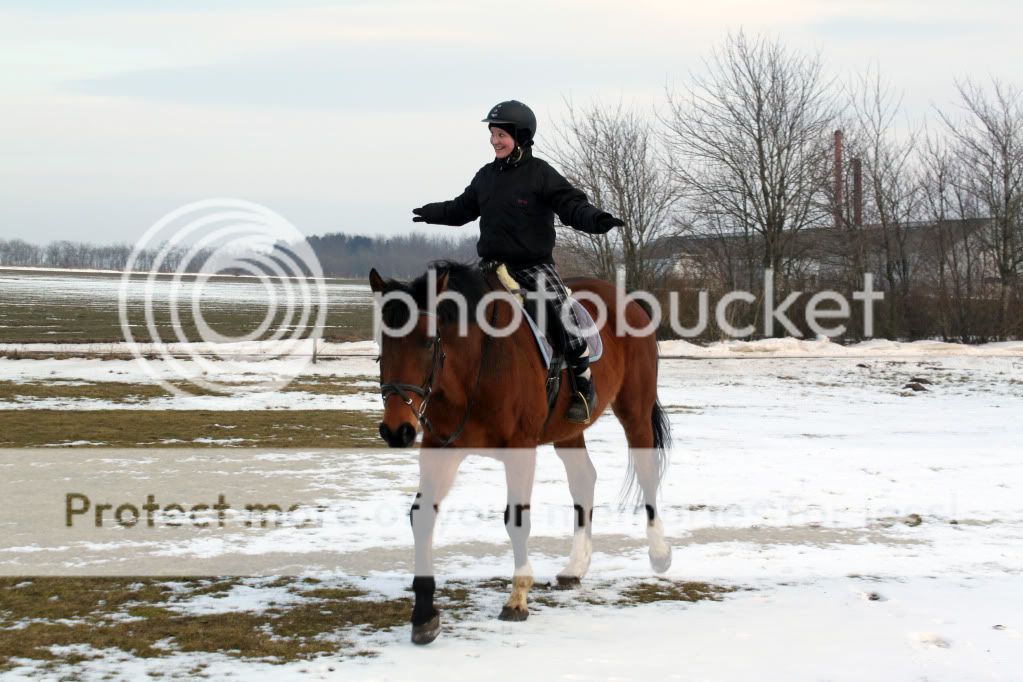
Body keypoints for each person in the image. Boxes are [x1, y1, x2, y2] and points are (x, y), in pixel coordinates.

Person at [411, 99, 623, 424]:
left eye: (501, 135)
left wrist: (596, 220)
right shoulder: (486, 176)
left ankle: (583, 386)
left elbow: (571, 205)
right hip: (489, 268)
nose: (495, 140)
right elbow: (461, 209)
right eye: (493, 134)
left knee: (562, 314)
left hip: (534, 268)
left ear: (521, 137)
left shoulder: (540, 174)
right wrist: (433, 213)